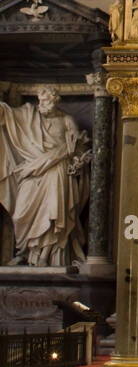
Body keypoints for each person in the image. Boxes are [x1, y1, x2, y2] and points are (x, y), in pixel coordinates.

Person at [0, 86, 90, 268]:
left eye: (45, 102)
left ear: (55, 102)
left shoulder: (66, 120)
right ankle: (24, 251)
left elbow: (76, 149)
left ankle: (45, 255)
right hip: (32, 169)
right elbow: (7, 115)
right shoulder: (29, 116)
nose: (41, 106)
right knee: (20, 213)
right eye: (39, 101)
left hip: (57, 170)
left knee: (54, 212)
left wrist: (77, 163)